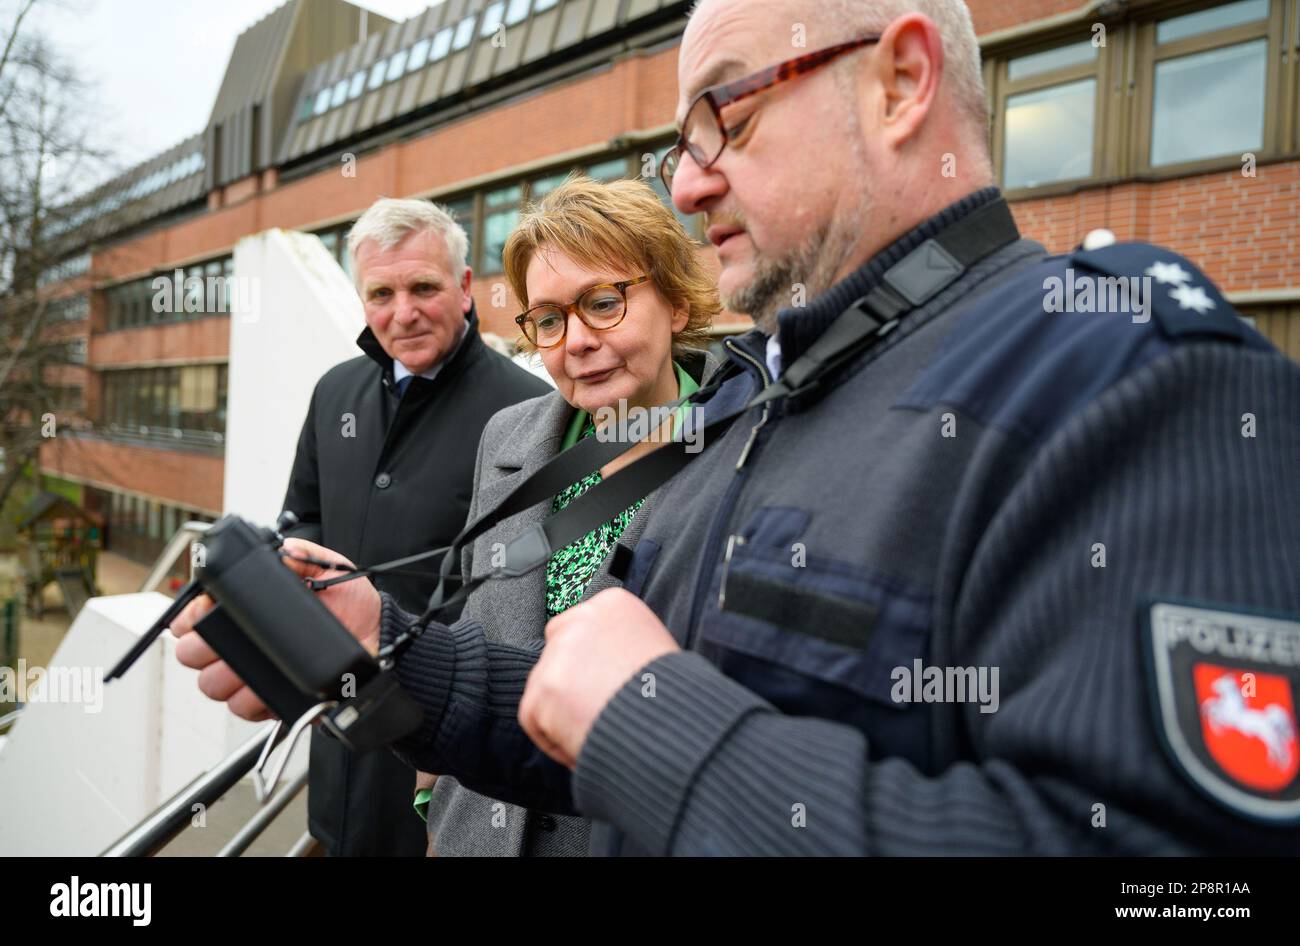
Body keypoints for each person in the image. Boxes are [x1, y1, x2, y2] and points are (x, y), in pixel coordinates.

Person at [177, 0, 1300, 855]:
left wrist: (661, 724)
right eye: (682, 145)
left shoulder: (1133, 373)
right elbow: (577, 725)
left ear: (901, 80)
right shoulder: (754, 406)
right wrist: (381, 647)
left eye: (726, 114)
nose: (692, 184)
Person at [181, 177, 721, 856]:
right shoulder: (511, 437)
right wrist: (433, 803)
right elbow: (472, 616)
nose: (577, 340)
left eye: (604, 303)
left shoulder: (743, 455)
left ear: (674, 299)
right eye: (549, 318)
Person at [277, 197, 550, 856]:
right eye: (381, 292)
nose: (404, 312)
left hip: (444, 738)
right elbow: (300, 517)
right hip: (335, 716)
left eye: (424, 286)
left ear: (462, 288)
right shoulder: (333, 392)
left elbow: (513, 585)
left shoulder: (524, 408)